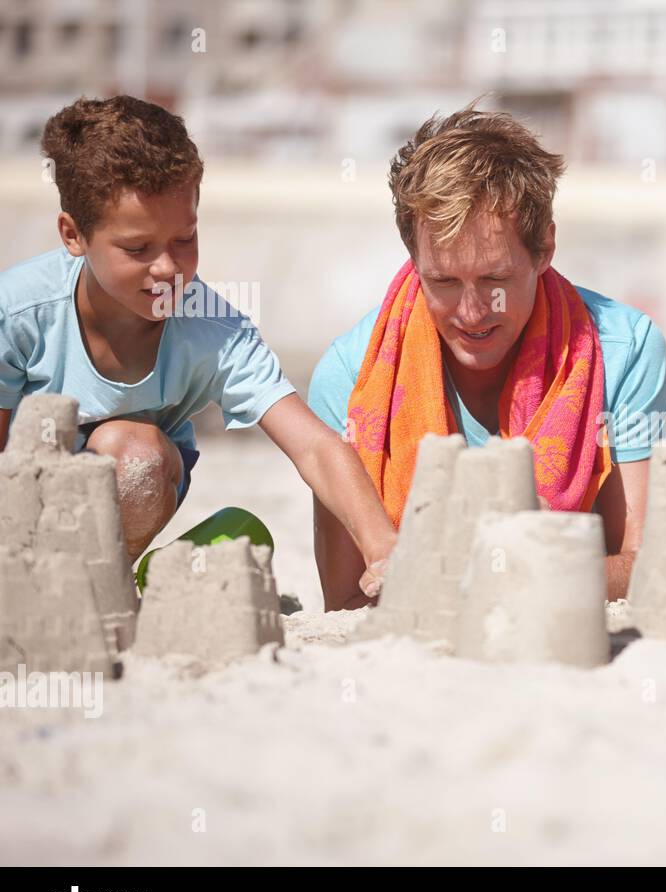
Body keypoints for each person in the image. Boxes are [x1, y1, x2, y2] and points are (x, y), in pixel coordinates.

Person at [0, 95, 395, 598]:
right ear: (73, 235)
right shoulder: (17, 314)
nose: (167, 268)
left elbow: (315, 446)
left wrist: (382, 545)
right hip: (22, 504)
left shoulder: (214, 330)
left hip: (131, 485)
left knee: (135, 454)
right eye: (137, 249)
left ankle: (88, 593)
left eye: (183, 239)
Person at [308, 105, 666, 610]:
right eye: (443, 281)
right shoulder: (351, 378)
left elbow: (648, 563)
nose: (471, 312)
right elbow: (348, 600)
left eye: (495, 279)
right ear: (414, 258)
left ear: (545, 247)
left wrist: (495, 574)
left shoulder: (625, 351)